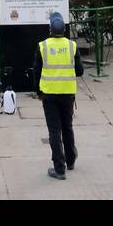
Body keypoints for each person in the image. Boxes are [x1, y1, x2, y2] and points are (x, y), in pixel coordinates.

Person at [34, 11, 83, 180]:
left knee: (54, 130)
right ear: (64, 29)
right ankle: (70, 161)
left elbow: (36, 72)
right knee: (67, 127)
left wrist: (38, 92)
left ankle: (59, 168)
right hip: (68, 93)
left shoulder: (43, 46)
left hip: (49, 95)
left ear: (50, 29)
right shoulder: (72, 46)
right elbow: (80, 71)